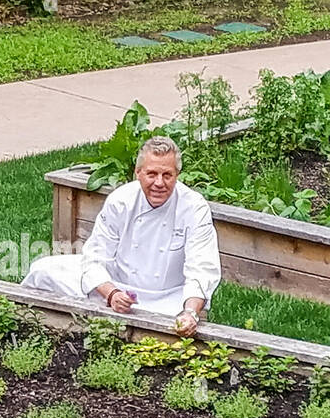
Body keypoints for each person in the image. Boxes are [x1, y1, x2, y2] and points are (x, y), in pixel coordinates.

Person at [22, 134, 220, 336]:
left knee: (175, 324)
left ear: (177, 175)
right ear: (138, 173)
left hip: (168, 297)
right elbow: (95, 257)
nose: (159, 183)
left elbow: (202, 268)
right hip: (117, 283)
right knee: (43, 270)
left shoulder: (194, 208)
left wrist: (190, 312)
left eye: (167, 175)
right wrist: (112, 294)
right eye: (151, 174)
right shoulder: (121, 200)